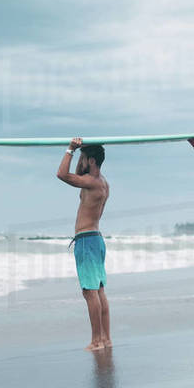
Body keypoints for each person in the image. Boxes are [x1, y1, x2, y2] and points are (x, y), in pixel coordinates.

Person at [56, 137, 110, 351]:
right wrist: (82, 151)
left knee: (90, 292)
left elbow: (62, 174)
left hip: (87, 241)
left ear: (93, 162)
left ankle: (96, 340)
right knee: (98, 290)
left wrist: (70, 149)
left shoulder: (91, 183)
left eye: (85, 159)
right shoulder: (103, 183)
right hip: (96, 239)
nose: (82, 162)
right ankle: (105, 339)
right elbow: (78, 173)